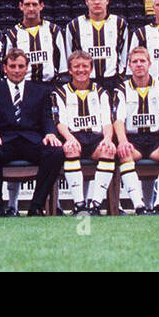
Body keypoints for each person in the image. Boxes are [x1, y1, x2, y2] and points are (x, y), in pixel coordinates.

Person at [0, 48, 65, 216]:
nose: (17, 70)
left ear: (27, 67)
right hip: (5, 140)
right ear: (5, 68)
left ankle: (36, 206)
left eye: (21, 66)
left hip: (31, 140)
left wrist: (50, 133)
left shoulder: (40, 91)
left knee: (55, 152)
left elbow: (47, 117)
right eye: (12, 66)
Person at [112, 46, 159, 214]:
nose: (139, 64)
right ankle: (138, 205)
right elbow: (118, 120)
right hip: (133, 140)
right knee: (124, 152)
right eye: (135, 62)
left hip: (156, 139)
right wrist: (123, 142)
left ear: (150, 64)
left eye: (142, 61)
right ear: (129, 65)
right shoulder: (121, 89)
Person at [53, 51, 117, 214]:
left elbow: (107, 121)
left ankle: (95, 204)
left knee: (108, 151)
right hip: (73, 136)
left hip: (95, 138)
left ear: (91, 69)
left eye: (85, 66)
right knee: (71, 149)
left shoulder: (101, 91)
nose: (81, 70)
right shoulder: (60, 93)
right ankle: (79, 204)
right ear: (70, 70)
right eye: (76, 67)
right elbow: (59, 121)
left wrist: (108, 139)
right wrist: (69, 138)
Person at [62, 0, 130, 91]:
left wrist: (120, 74)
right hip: (85, 81)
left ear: (107, 0)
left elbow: (125, 53)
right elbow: (69, 55)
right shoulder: (74, 25)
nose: (97, 2)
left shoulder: (120, 23)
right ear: (86, 1)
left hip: (112, 81)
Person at [6, 0, 64, 84]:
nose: (31, 8)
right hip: (24, 86)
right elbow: (9, 65)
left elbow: (62, 65)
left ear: (41, 6)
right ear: (21, 6)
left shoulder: (53, 30)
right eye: (27, 4)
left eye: (34, 4)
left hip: (49, 85)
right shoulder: (12, 34)